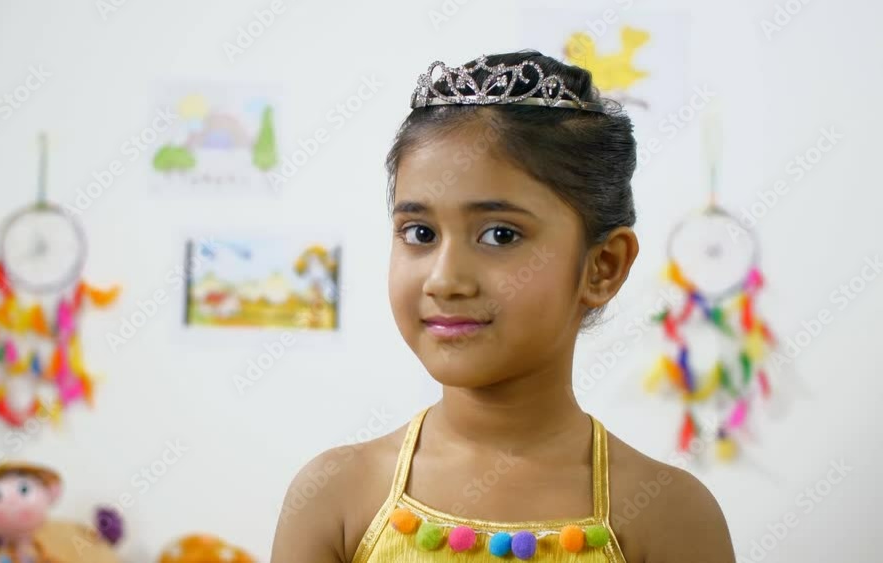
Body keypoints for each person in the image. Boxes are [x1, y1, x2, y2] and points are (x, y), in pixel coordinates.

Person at [270, 50, 734, 563]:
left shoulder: (667, 517)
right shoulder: (337, 499)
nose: (445, 280)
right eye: (419, 233)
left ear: (602, 266)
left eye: (500, 235)